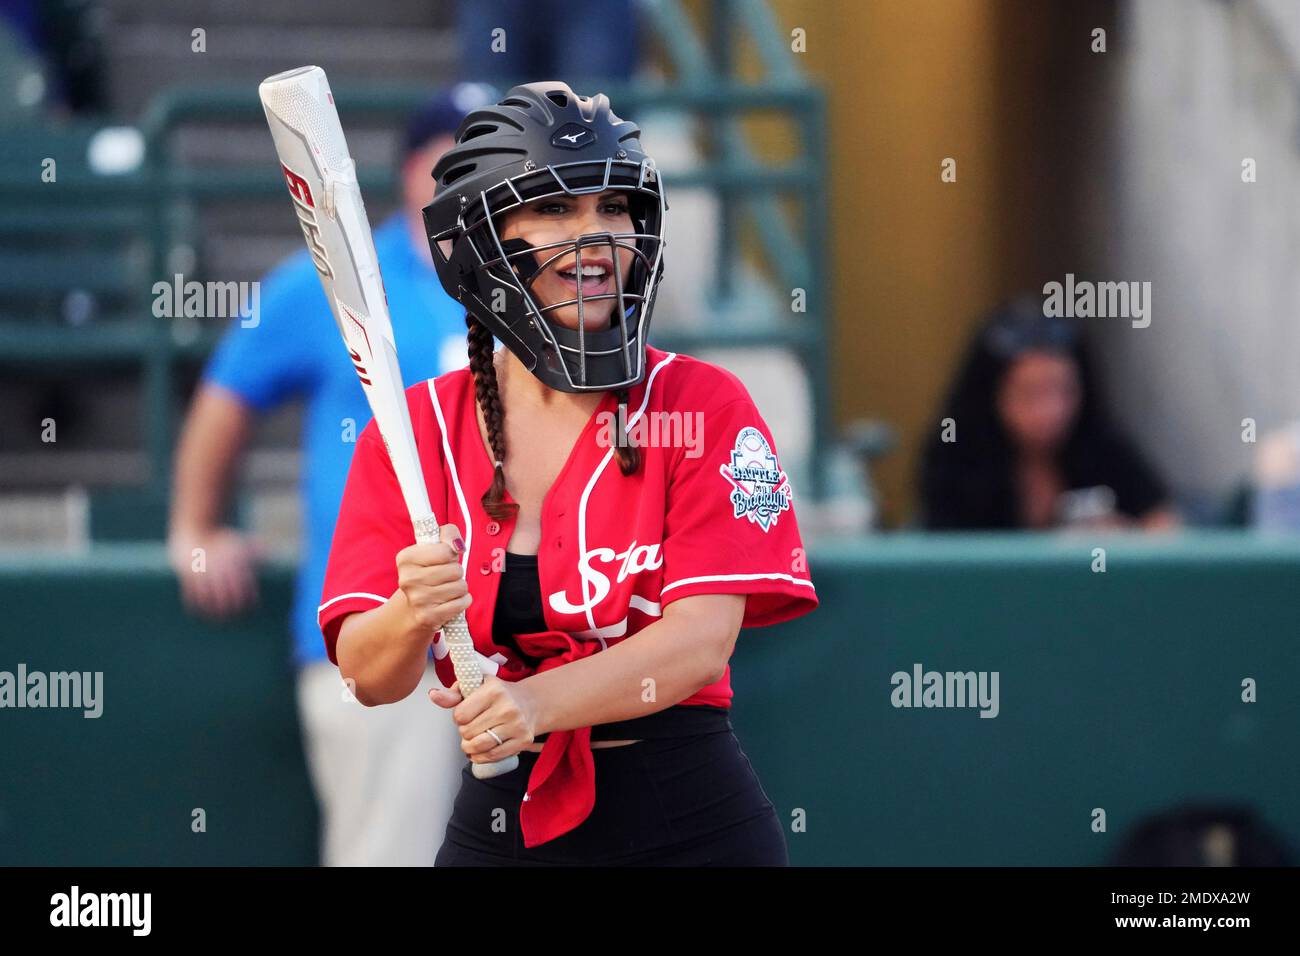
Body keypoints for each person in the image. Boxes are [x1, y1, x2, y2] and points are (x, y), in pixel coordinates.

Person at [318, 81, 819, 865]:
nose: (595, 237)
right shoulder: (412, 432)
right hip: (501, 814)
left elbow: (700, 645)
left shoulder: (702, 402)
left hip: (688, 816)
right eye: (553, 208)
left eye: (613, 208)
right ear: (482, 239)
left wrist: (530, 702)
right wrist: (414, 610)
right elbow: (369, 675)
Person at [167, 82, 497, 866]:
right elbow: (226, 394)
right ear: (417, 170)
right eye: (459, 160)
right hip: (389, 638)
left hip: (523, 639)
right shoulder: (336, 279)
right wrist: (195, 529)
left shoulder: (525, 278)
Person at [919, 299, 1181, 531]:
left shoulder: (1104, 446)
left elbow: (1164, 526)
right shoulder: (954, 461)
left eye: (1063, 391)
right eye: (1029, 394)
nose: (1050, 411)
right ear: (990, 396)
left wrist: (1125, 537)